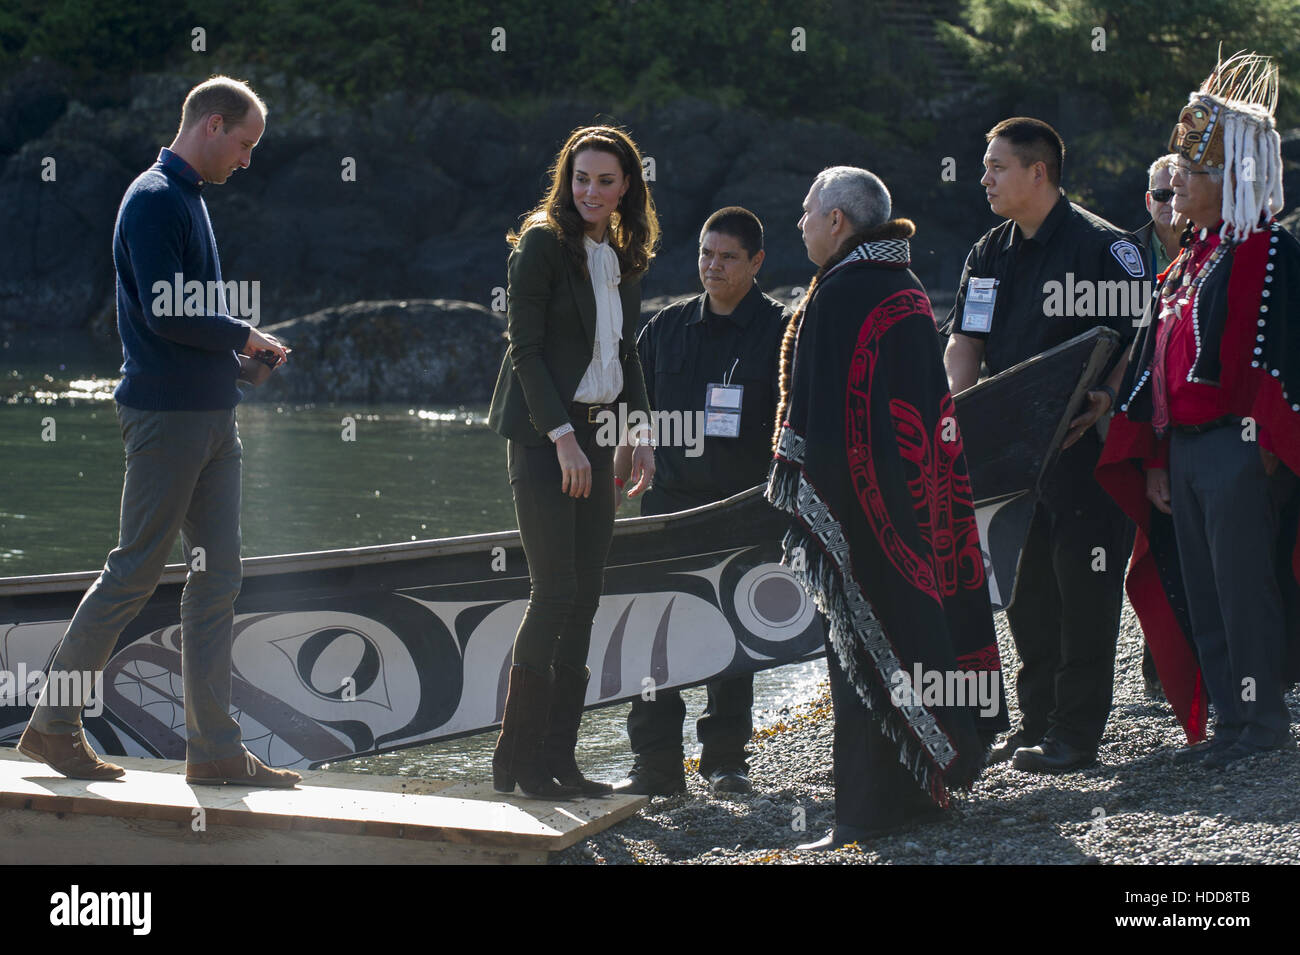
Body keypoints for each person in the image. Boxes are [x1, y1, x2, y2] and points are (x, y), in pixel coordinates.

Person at [18, 76, 296, 787]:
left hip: (210, 416)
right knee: (133, 572)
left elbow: (177, 324)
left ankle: (213, 751)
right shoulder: (152, 199)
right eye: (245, 143)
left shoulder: (191, 200)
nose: (248, 159)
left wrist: (237, 366)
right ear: (211, 124)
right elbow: (167, 313)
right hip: (165, 421)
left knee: (217, 581)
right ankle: (51, 726)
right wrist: (244, 331)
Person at [769, 167, 1005, 850]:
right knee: (907, 636)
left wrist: (815, 503)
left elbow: (822, 421)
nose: (802, 224)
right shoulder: (902, 287)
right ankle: (915, 794)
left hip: (858, 511)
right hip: (912, 505)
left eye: (808, 211)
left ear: (838, 221)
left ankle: (862, 817)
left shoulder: (843, 293)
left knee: (860, 659)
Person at [1098, 51, 1300, 769]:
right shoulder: (1193, 255)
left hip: (1236, 446)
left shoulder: (1264, 251)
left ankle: (1262, 721)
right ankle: (1228, 719)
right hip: (1182, 448)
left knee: (1244, 586)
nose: (1173, 180)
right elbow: (1156, 364)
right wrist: (1152, 455)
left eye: (1190, 170)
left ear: (1231, 179)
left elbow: (1271, 356)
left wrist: (1265, 445)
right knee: (1203, 586)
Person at [943, 117, 1144, 774]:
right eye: (985, 165)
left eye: (997, 166)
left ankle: (1076, 733)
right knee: (1027, 593)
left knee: (1083, 590)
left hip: (1085, 450)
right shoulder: (988, 253)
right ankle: (1033, 721)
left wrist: (1109, 398)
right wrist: (954, 415)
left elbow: (1137, 341)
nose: (985, 178)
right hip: (1012, 452)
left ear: (1039, 172)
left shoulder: (1103, 248)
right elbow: (966, 343)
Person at [486, 125, 659, 799]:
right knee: (553, 591)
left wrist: (637, 431)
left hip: (596, 433)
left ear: (626, 188)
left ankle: (560, 761)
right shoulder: (540, 244)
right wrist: (560, 436)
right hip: (541, 438)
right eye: (581, 178)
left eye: (606, 180)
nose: (591, 191)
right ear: (567, 179)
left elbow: (628, 356)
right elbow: (523, 349)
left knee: (584, 599)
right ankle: (517, 761)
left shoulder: (618, 251)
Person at [613, 206, 789, 797]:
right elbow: (631, 406)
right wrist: (632, 447)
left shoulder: (780, 332)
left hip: (741, 507)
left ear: (757, 262)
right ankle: (656, 764)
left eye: (728, 257)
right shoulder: (664, 328)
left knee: (732, 636)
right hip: (667, 504)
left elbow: (794, 421)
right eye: (706, 255)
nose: (713, 267)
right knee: (650, 637)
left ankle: (725, 760)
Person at [1135, 154, 1184, 281]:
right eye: (1161, 194)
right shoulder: (1128, 250)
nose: (1170, 202)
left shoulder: (1211, 250)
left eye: (1178, 194)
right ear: (1148, 201)